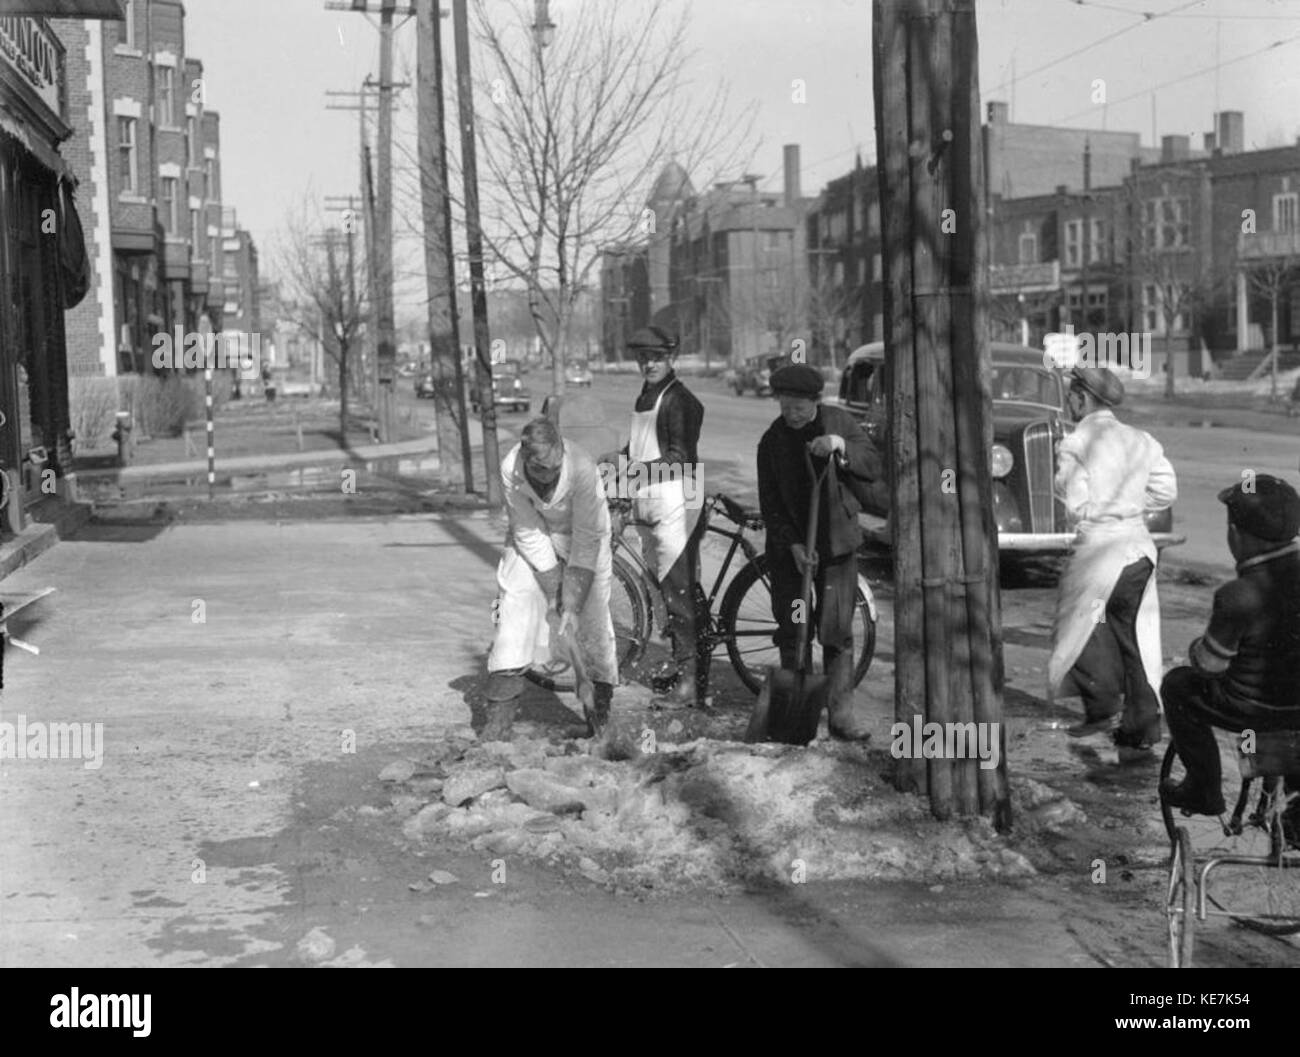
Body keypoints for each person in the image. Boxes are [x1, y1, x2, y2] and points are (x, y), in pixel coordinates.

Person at [1048, 365, 1178, 759]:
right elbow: (1166, 490)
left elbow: (1075, 506)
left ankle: (1102, 706)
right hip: (1139, 551)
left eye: (1071, 396)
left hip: (1100, 551)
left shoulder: (1077, 443)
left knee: (1078, 622)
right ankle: (1141, 726)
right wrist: (1132, 506)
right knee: (1135, 634)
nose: (1069, 403)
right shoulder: (1141, 439)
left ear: (1083, 398)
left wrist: (1102, 513)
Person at [1160, 475, 1300, 816]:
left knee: (1177, 686)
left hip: (1250, 709)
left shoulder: (1238, 596)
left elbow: (1209, 665)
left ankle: (1203, 789)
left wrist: (1197, 649)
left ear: (1236, 536)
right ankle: (1296, 815)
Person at [757, 363, 881, 740]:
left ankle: (841, 715)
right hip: (791, 553)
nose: (792, 414)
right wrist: (793, 545)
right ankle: (798, 716)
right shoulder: (772, 441)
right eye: (785, 406)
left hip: (837, 546)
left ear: (816, 401)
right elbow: (771, 503)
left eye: (800, 407)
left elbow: (872, 465)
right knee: (795, 626)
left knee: (835, 629)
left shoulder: (838, 422)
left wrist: (840, 447)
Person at [482, 417, 617, 740]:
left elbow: (586, 539)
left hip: (581, 535)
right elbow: (527, 528)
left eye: (555, 467)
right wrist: (555, 584)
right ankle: (498, 725)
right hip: (532, 532)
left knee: (594, 622)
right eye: (540, 469)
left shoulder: (582, 467)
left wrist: (572, 600)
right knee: (515, 607)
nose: (549, 475)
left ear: (560, 450)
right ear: (526, 460)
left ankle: (599, 724)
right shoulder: (509, 467)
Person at [616, 325, 707, 708]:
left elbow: (680, 458)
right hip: (654, 500)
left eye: (656, 357)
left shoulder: (680, 401)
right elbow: (636, 447)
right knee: (661, 591)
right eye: (642, 358)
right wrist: (613, 473)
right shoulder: (646, 395)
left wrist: (629, 475)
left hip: (679, 501)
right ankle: (682, 667)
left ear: (672, 357)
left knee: (679, 591)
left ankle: (690, 685)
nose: (648, 363)